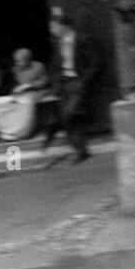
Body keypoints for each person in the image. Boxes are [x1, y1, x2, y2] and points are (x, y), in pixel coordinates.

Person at [43, 10, 107, 163]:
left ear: (64, 26)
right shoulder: (58, 43)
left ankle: (78, 149)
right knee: (69, 117)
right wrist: (55, 84)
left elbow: (96, 61)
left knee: (70, 115)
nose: (52, 30)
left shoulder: (83, 39)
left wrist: (84, 80)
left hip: (78, 83)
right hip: (64, 84)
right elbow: (57, 65)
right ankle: (80, 150)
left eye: (54, 26)